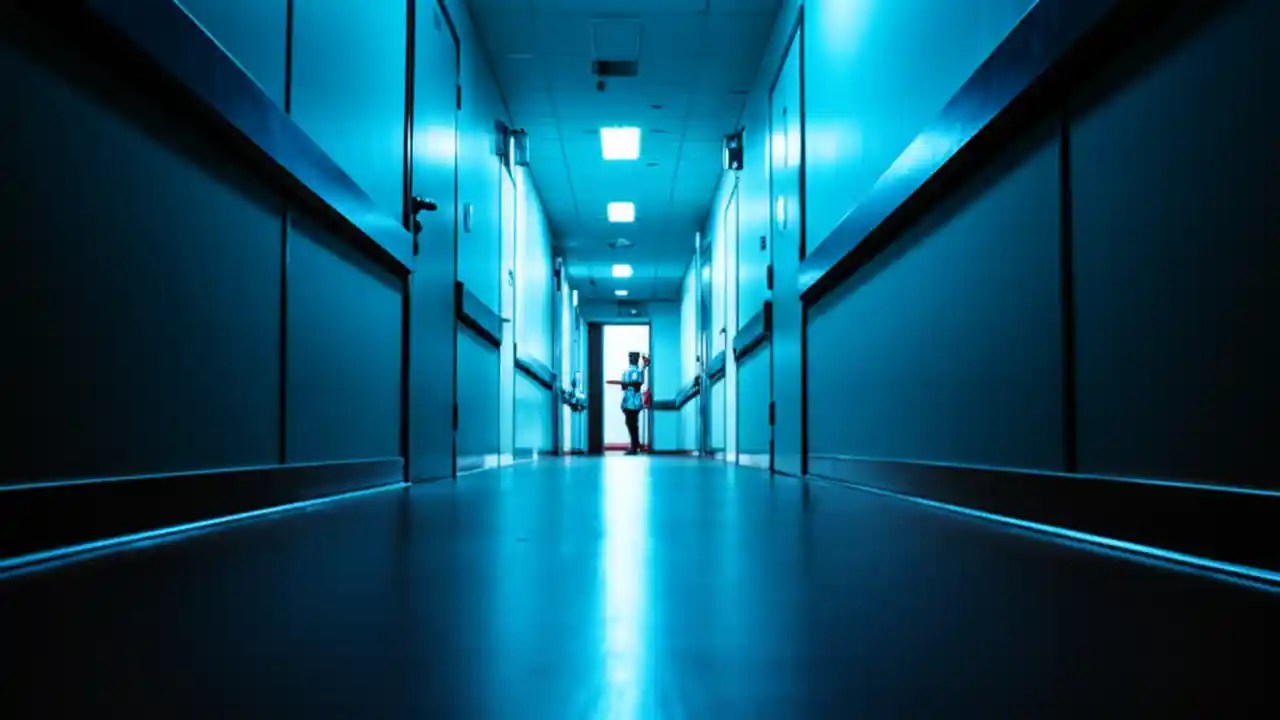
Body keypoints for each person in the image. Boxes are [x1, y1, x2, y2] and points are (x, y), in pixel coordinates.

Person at [620, 351, 648, 455]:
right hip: (629, 402)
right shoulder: (629, 371)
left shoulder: (638, 371)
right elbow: (624, 386)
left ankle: (634, 446)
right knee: (632, 424)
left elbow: (637, 385)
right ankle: (635, 445)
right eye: (631, 357)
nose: (632, 359)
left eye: (633, 357)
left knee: (632, 424)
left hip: (633, 403)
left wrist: (629, 385)